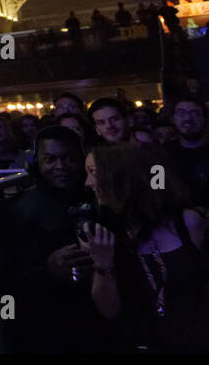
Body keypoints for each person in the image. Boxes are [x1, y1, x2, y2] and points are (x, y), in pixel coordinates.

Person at [78, 144, 209, 351]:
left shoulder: (190, 222)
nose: (88, 182)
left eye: (93, 172)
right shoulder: (108, 234)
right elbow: (109, 311)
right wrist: (102, 264)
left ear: (123, 174)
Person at [0, 126, 103, 352]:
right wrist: (48, 268)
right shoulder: (22, 209)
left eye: (68, 158)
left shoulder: (101, 195)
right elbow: (6, 279)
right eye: (50, 159)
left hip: (103, 314)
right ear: (37, 162)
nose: (60, 166)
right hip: (53, 322)